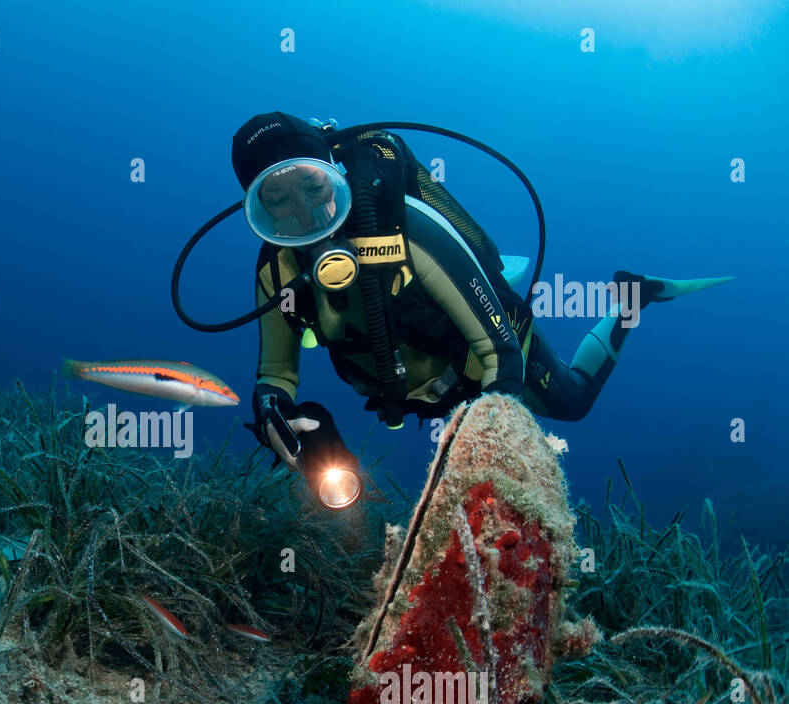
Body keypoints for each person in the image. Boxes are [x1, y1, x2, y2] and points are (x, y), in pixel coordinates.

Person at [220, 112, 730, 473]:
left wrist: (486, 449)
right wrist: (270, 407)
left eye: (311, 186)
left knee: (573, 403)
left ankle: (632, 301)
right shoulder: (275, 272)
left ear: (333, 175)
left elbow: (500, 352)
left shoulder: (405, 230)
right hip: (418, 394)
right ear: (256, 207)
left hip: (495, 354)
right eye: (276, 198)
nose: (305, 213)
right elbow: (277, 373)